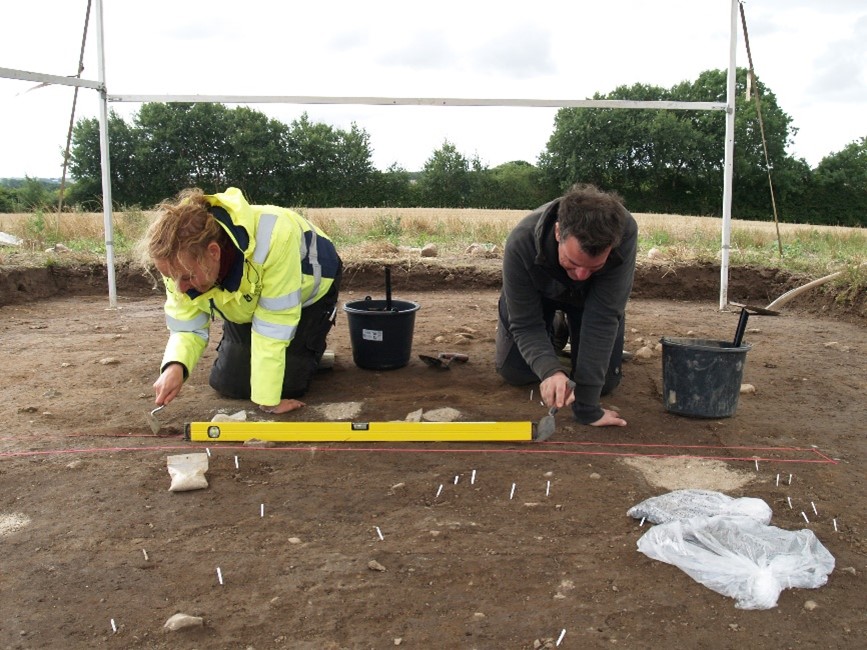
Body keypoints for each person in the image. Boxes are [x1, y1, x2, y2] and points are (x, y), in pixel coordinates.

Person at [143, 187, 342, 415]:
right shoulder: (177, 261)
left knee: (288, 385)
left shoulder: (274, 237)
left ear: (214, 252)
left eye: (187, 277)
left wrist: (269, 400)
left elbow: (274, 323)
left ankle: (311, 350)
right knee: (230, 384)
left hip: (309, 293)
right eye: (171, 278)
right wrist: (175, 365)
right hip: (249, 302)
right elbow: (186, 325)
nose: (179, 288)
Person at [496, 183, 637, 427]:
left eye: (593, 267)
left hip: (591, 301)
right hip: (538, 296)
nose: (581, 274)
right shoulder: (522, 240)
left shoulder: (624, 233)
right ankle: (556, 326)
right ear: (559, 233)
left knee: (603, 386)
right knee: (517, 373)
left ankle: (569, 328)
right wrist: (550, 371)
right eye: (572, 262)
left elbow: (603, 318)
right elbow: (526, 323)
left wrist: (587, 408)